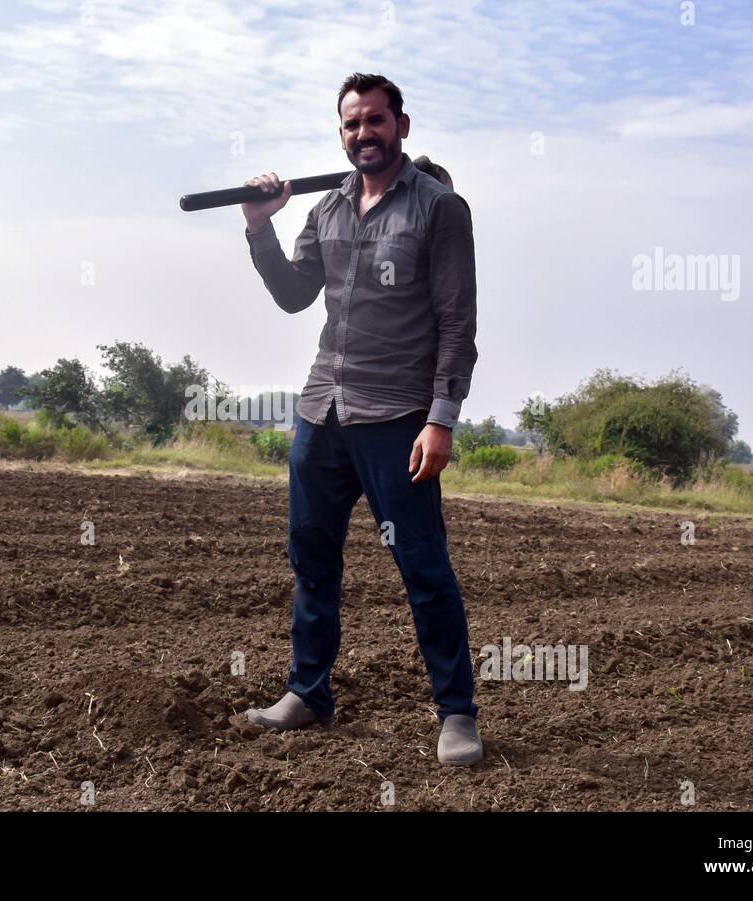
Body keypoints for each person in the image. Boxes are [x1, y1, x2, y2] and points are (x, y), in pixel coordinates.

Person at [239, 72, 482, 766]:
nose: (363, 134)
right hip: (324, 410)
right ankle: (308, 692)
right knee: (311, 558)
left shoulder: (440, 209)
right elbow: (292, 294)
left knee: (423, 566)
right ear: (339, 133)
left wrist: (442, 418)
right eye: (350, 125)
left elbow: (456, 320)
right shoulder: (326, 210)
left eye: (375, 121)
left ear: (400, 124)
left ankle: (457, 712)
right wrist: (261, 226)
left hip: (398, 418)